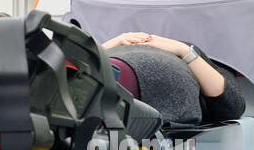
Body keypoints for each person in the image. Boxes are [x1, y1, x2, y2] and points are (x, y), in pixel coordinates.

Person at [99, 31, 245, 126]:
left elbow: (233, 106)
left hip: (142, 74)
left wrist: (185, 51)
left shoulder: (194, 55)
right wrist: (117, 41)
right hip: (112, 62)